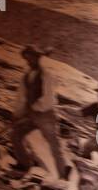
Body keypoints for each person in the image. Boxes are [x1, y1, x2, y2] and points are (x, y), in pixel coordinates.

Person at [10, 46, 69, 177]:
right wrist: (17, 115)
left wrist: (34, 110)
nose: (29, 61)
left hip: (46, 116)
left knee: (54, 146)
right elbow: (21, 98)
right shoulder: (26, 77)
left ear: (38, 58)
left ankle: (63, 175)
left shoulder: (46, 75)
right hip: (31, 116)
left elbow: (48, 98)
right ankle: (24, 164)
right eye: (27, 58)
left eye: (31, 57)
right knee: (15, 135)